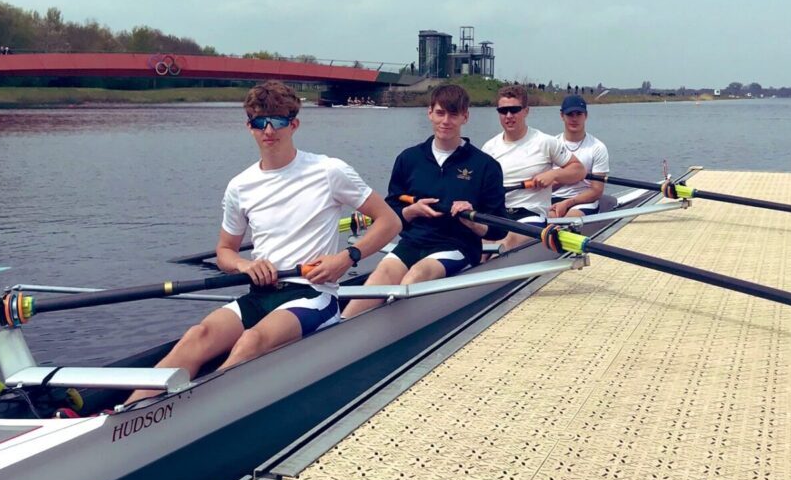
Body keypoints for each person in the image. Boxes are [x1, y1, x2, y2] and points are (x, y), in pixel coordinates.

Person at [125, 81, 400, 402]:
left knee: (250, 342)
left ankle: (191, 409)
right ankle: (123, 413)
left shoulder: (329, 171)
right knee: (196, 336)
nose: (269, 129)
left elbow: (389, 221)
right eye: (259, 122)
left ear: (294, 124)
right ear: (249, 127)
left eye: (278, 121)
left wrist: (347, 257)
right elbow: (225, 252)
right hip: (259, 294)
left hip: (311, 293)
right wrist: (246, 264)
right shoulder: (240, 186)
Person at [342, 83, 507, 318]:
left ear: (465, 117)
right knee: (380, 277)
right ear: (430, 112)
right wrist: (413, 211)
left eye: (453, 114)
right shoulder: (409, 159)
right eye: (440, 113)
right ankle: (343, 326)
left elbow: (498, 230)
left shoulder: (486, 166)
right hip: (413, 242)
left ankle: (388, 328)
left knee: (415, 277)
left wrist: (471, 221)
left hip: (457, 246)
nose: (446, 121)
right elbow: (392, 213)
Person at [481, 83, 584, 251]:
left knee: (505, 243)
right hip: (498, 214)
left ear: (526, 111)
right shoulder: (489, 148)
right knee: (479, 244)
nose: (508, 116)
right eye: (503, 111)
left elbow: (579, 170)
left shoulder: (545, 142)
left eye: (514, 110)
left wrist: (553, 175)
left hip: (531, 215)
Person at [549, 94, 609, 218]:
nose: (574, 119)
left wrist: (569, 202)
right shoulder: (551, 145)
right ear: (562, 116)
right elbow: (546, 186)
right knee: (549, 220)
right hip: (554, 198)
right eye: (570, 114)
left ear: (585, 116)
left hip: (584, 201)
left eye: (578, 114)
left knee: (570, 219)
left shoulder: (597, 147)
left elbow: (597, 190)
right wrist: (571, 176)